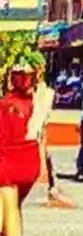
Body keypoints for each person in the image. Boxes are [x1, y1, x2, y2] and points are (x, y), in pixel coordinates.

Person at [0, 58, 44, 236]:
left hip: (8, 163)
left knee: (8, 214)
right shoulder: (37, 102)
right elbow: (41, 137)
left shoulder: (7, 104)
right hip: (29, 163)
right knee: (13, 207)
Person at [29, 62, 72, 209]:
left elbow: (42, 115)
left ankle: (50, 187)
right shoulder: (28, 92)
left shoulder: (47, 93)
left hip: (36, 131)